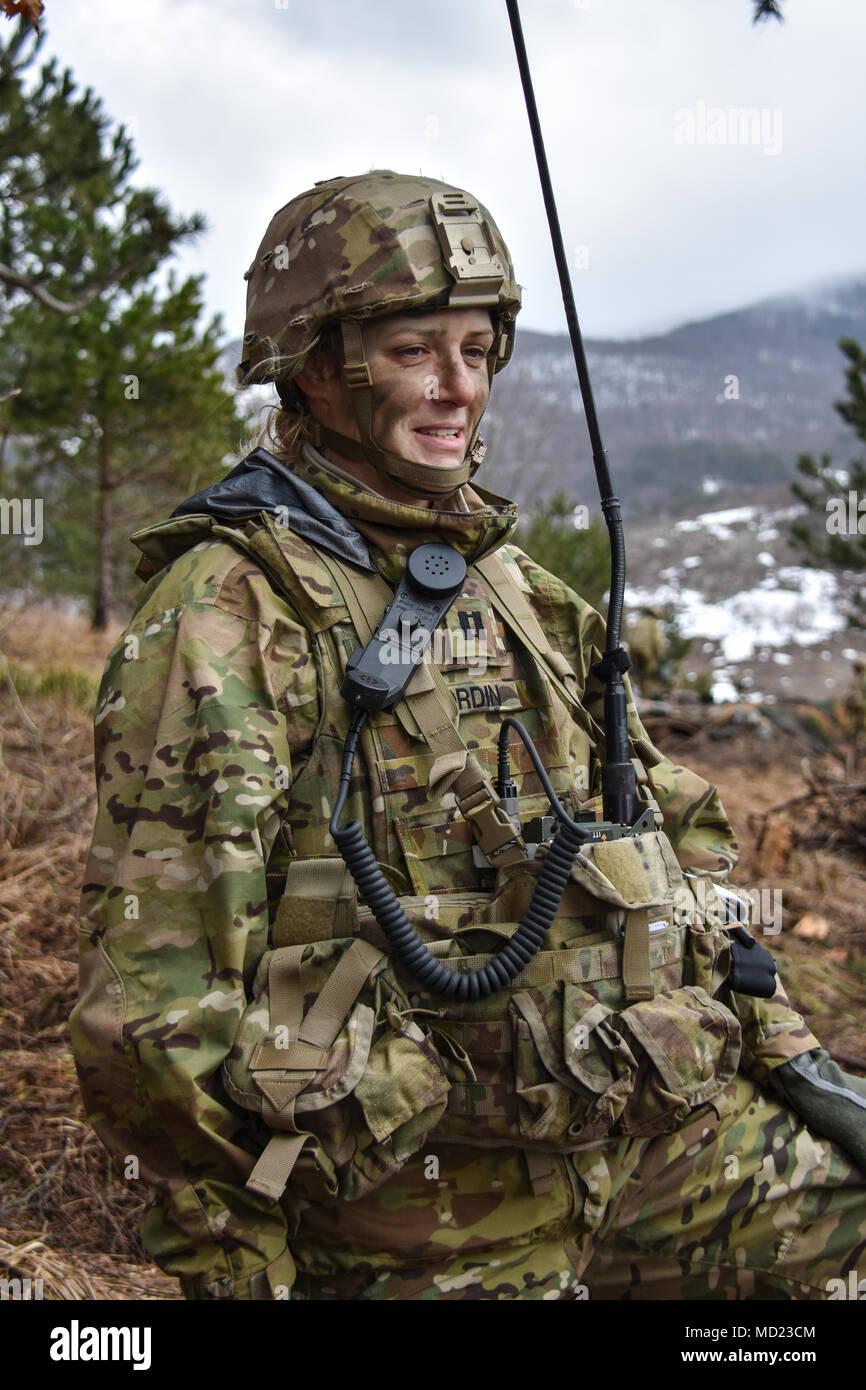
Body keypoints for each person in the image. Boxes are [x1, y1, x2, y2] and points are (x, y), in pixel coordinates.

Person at [71, 170, 866, 1302]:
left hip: (644, 1137)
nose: (458, 389)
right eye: (413, 352)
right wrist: (237, 1269)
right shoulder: (226, 615)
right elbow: (154, 1016)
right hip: (417, 1205)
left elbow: (675, 836)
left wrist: (787, 1058)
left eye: (478, 351)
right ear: (315, 366)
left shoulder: (518, 591)